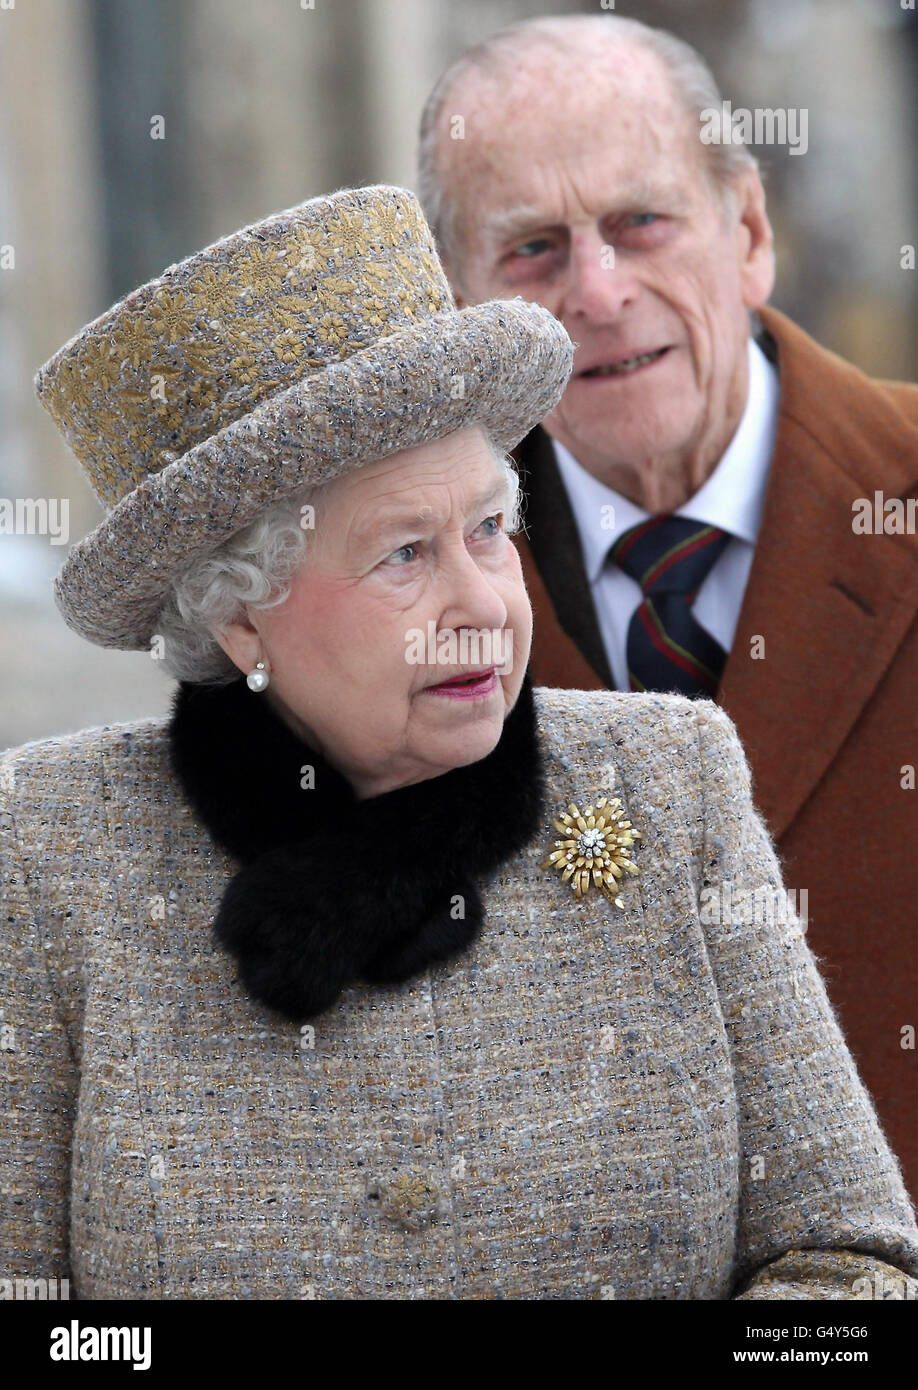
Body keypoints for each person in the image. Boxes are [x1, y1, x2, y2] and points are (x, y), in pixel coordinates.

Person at [2, 185, 916, 1301]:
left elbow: (853, 1263)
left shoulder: (673, 783)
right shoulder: (53, 849)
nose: (484, 602)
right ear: (239, 614)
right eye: (403, 555)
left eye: (489, 530)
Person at [417, 12, 918, 1206]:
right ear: (457, 304)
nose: (597, 291)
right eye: (533, 249)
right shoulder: (384, 611)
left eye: (641, 223)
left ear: (748, 233)